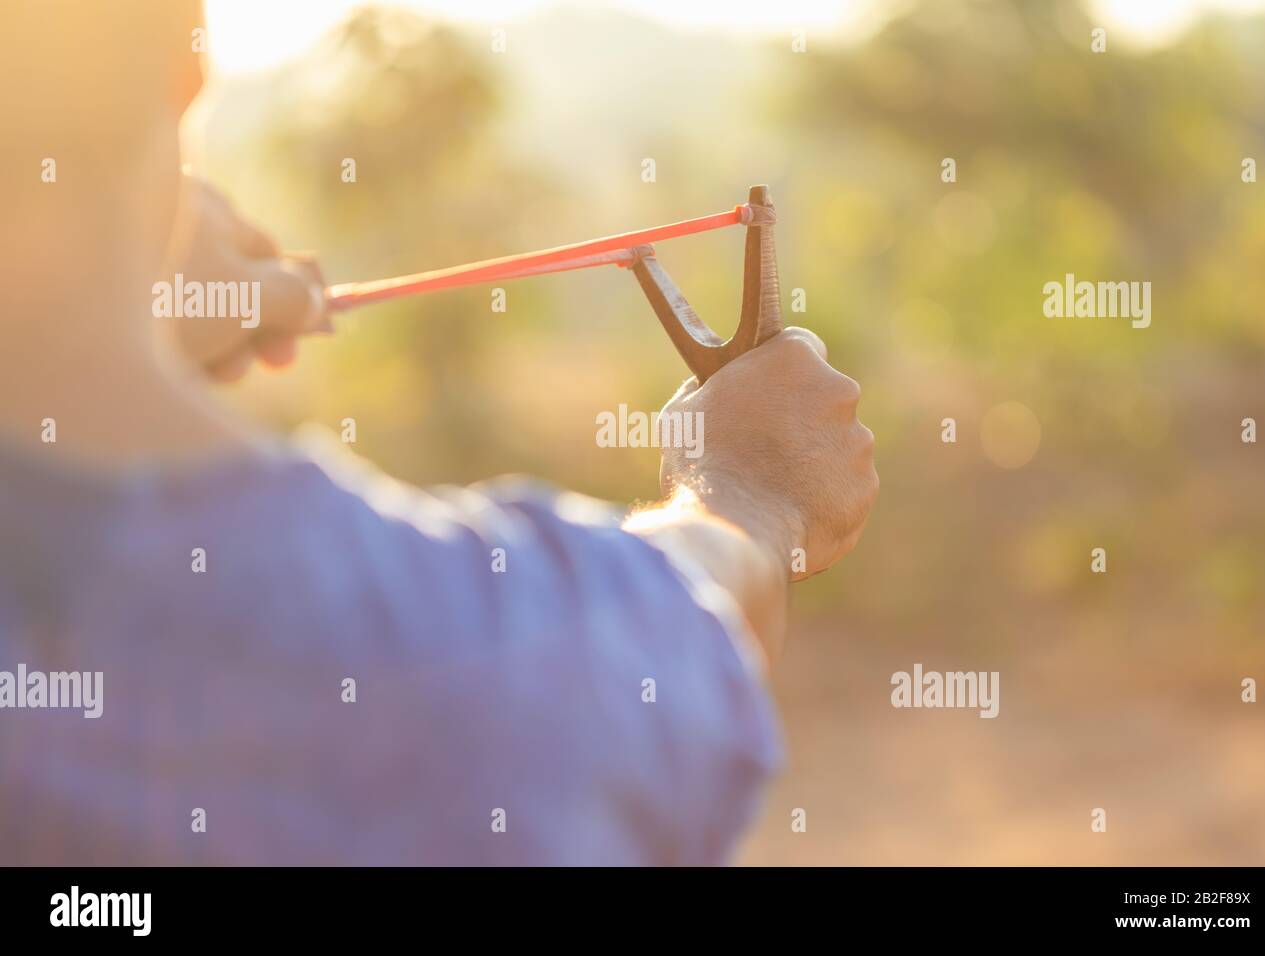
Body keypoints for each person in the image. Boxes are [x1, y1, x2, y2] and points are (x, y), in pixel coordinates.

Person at [0, 1, 877, 864]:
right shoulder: (436, 654)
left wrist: (105, 303)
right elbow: (670, 631)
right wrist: (748, 494)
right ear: (187, 61)